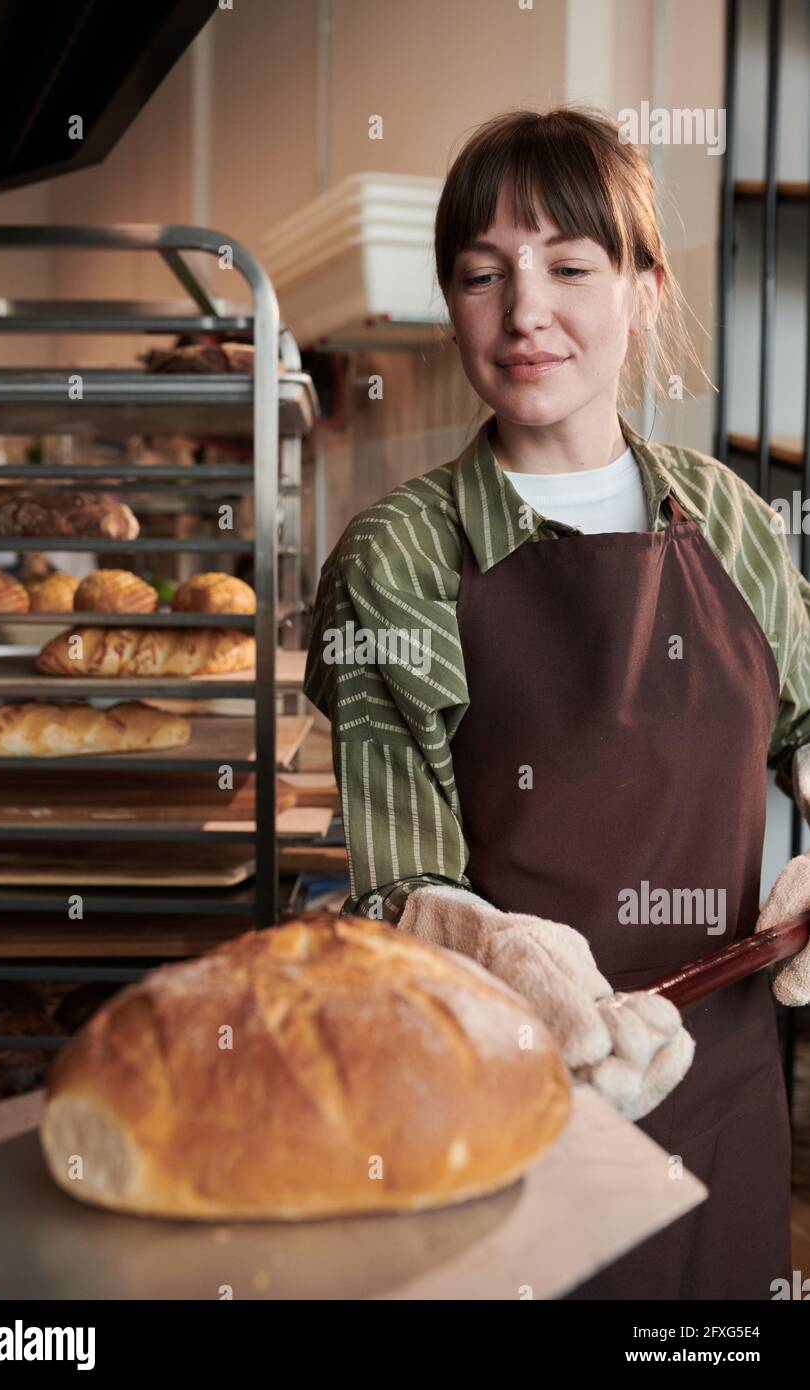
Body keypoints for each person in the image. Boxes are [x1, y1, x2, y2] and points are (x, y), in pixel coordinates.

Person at [303, 106, 810, 1300]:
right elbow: (395, 884)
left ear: (641, 291)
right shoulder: (399, 557)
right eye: (482, 275)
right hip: (504, 1111)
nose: (525, 310)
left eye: (570, 267)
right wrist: (496, 952)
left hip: (724, 1101)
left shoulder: (727, 516)